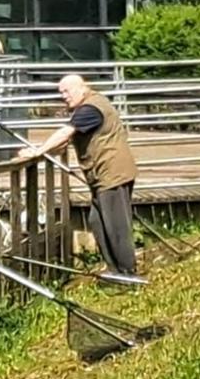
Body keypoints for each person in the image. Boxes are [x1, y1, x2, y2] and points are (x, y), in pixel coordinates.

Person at [21, 73, 138, 278]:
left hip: (112, 173)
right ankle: (115, 269)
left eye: (66, 91)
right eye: (60, 93)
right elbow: (66, 141)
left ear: (82, 88)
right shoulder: (89, 107)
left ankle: (127, 273)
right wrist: (46, 150)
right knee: (97, 220)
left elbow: (65, 133)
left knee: (115, 225)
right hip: (104, 174)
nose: (63, 96)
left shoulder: (90, 109)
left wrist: (39, 151)